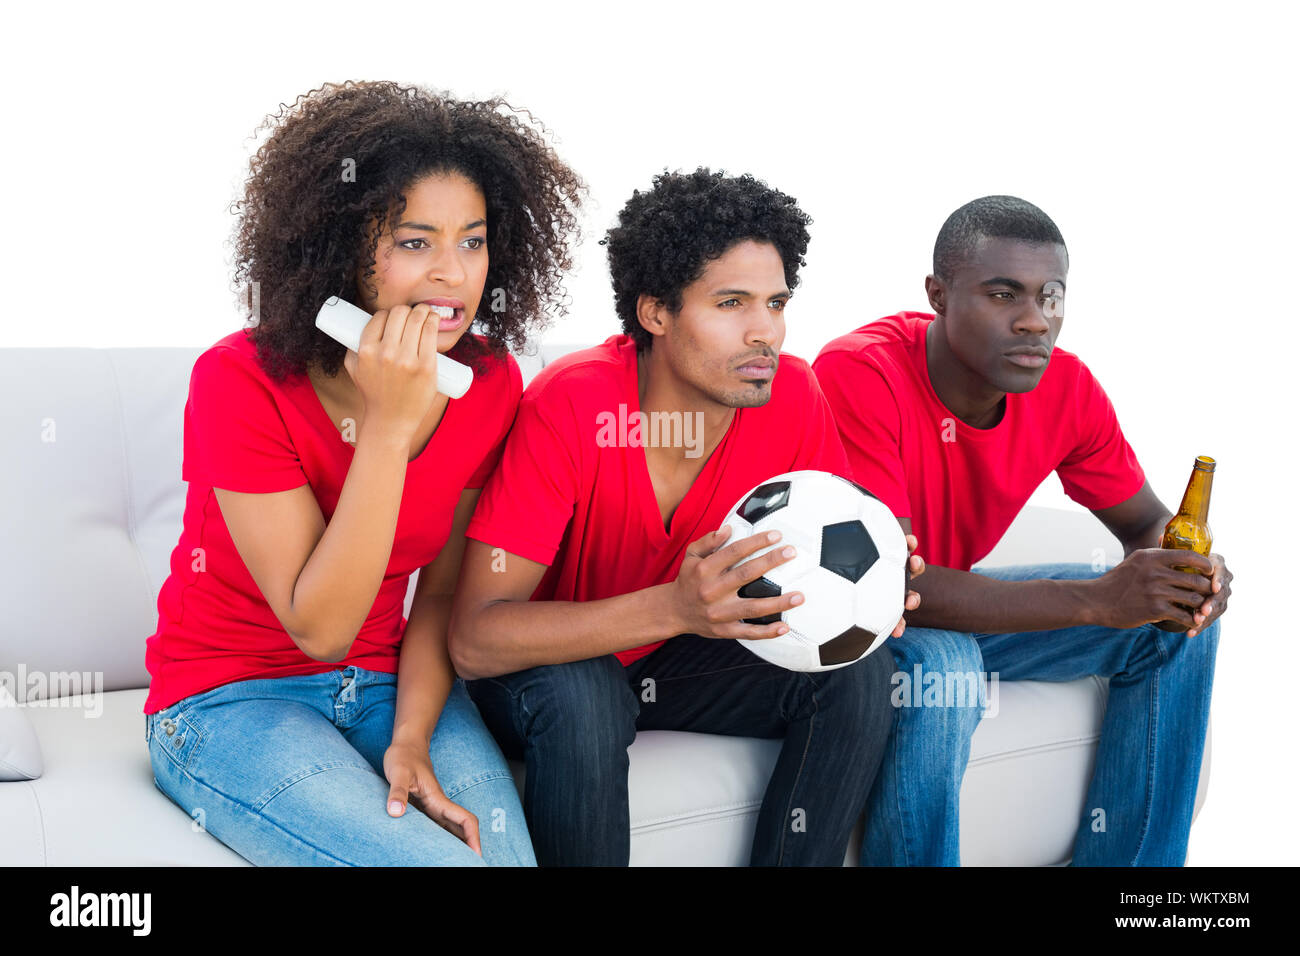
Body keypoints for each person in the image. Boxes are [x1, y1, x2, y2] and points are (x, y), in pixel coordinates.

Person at [143, 80, 584, 866]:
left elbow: (442, 594)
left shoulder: (486, 383)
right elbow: (320, 629)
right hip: (231, 699)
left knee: (506, 858)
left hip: (387, 687)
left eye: (473, 241)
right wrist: (386, 425)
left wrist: (412, 738)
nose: (454, 275)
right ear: (338, 248)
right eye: (415, 243)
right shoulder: (237, 380)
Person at [449, 168, 923, 866]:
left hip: (672, 664)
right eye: (731, 302)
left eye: (776, 302)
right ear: (655, 313)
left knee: (855, 672)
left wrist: (866, 594)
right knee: (586, 693)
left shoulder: (793, 394)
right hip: (546, 670)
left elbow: (818, 555)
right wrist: (674, 607)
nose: (765, 331)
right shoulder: (572, 407)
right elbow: (475, 638)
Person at [813, 195, 1233, 866]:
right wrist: (1098, 600)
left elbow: (1148, 522)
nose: (1036, 321)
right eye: (1003, 294)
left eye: (1052, 297)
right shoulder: (860, 373)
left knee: (1171, 627)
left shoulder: (1066, 389)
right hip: (849, 623)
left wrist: (1179, 576)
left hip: (947, 607)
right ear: (939, 295)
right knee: (942, 665)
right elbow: (887, 588)